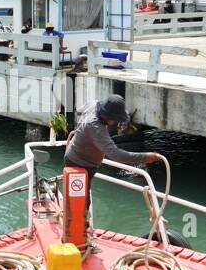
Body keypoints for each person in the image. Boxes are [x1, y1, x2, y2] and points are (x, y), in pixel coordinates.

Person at [64, 95, 160, 231]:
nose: (115, 123)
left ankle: (80, 227)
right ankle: (77, 233)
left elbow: (80, 110)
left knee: (82, 200)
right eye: (115, 120)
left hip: (81, 158)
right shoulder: (96, 127)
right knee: (79, 202)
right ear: (108, 117)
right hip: (79, 163)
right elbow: (116, 155)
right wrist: (146, 157)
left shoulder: (94, 104)